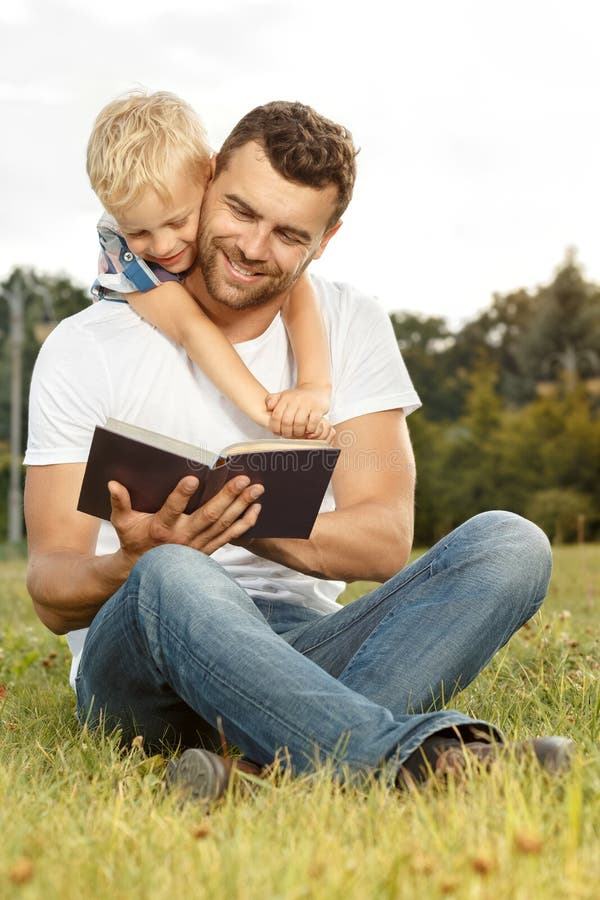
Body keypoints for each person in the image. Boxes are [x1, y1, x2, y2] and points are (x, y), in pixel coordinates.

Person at [24, 99, 573, 801]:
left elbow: (382, 541)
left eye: (289, 233)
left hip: (302, 645)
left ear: (326, 240)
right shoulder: (87, 345)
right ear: (210, 177)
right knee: (172, 572)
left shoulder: (351, 323)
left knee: (511, 543)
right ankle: (412, 764)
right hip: (142, 659)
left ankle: (271, 773)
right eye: (241, 212)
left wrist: (245, 519)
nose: (254, 247)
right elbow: (50, 587)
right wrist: (133, 560)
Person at [87, 91, 334, 442]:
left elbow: (295, 288)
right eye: (139, 230)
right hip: (148, 353)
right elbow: (192, 330)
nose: (162, 246)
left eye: (178, 222)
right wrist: (275, 416)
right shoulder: (124, 251)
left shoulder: (207, 190)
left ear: (208, 177)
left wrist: (314, 388)